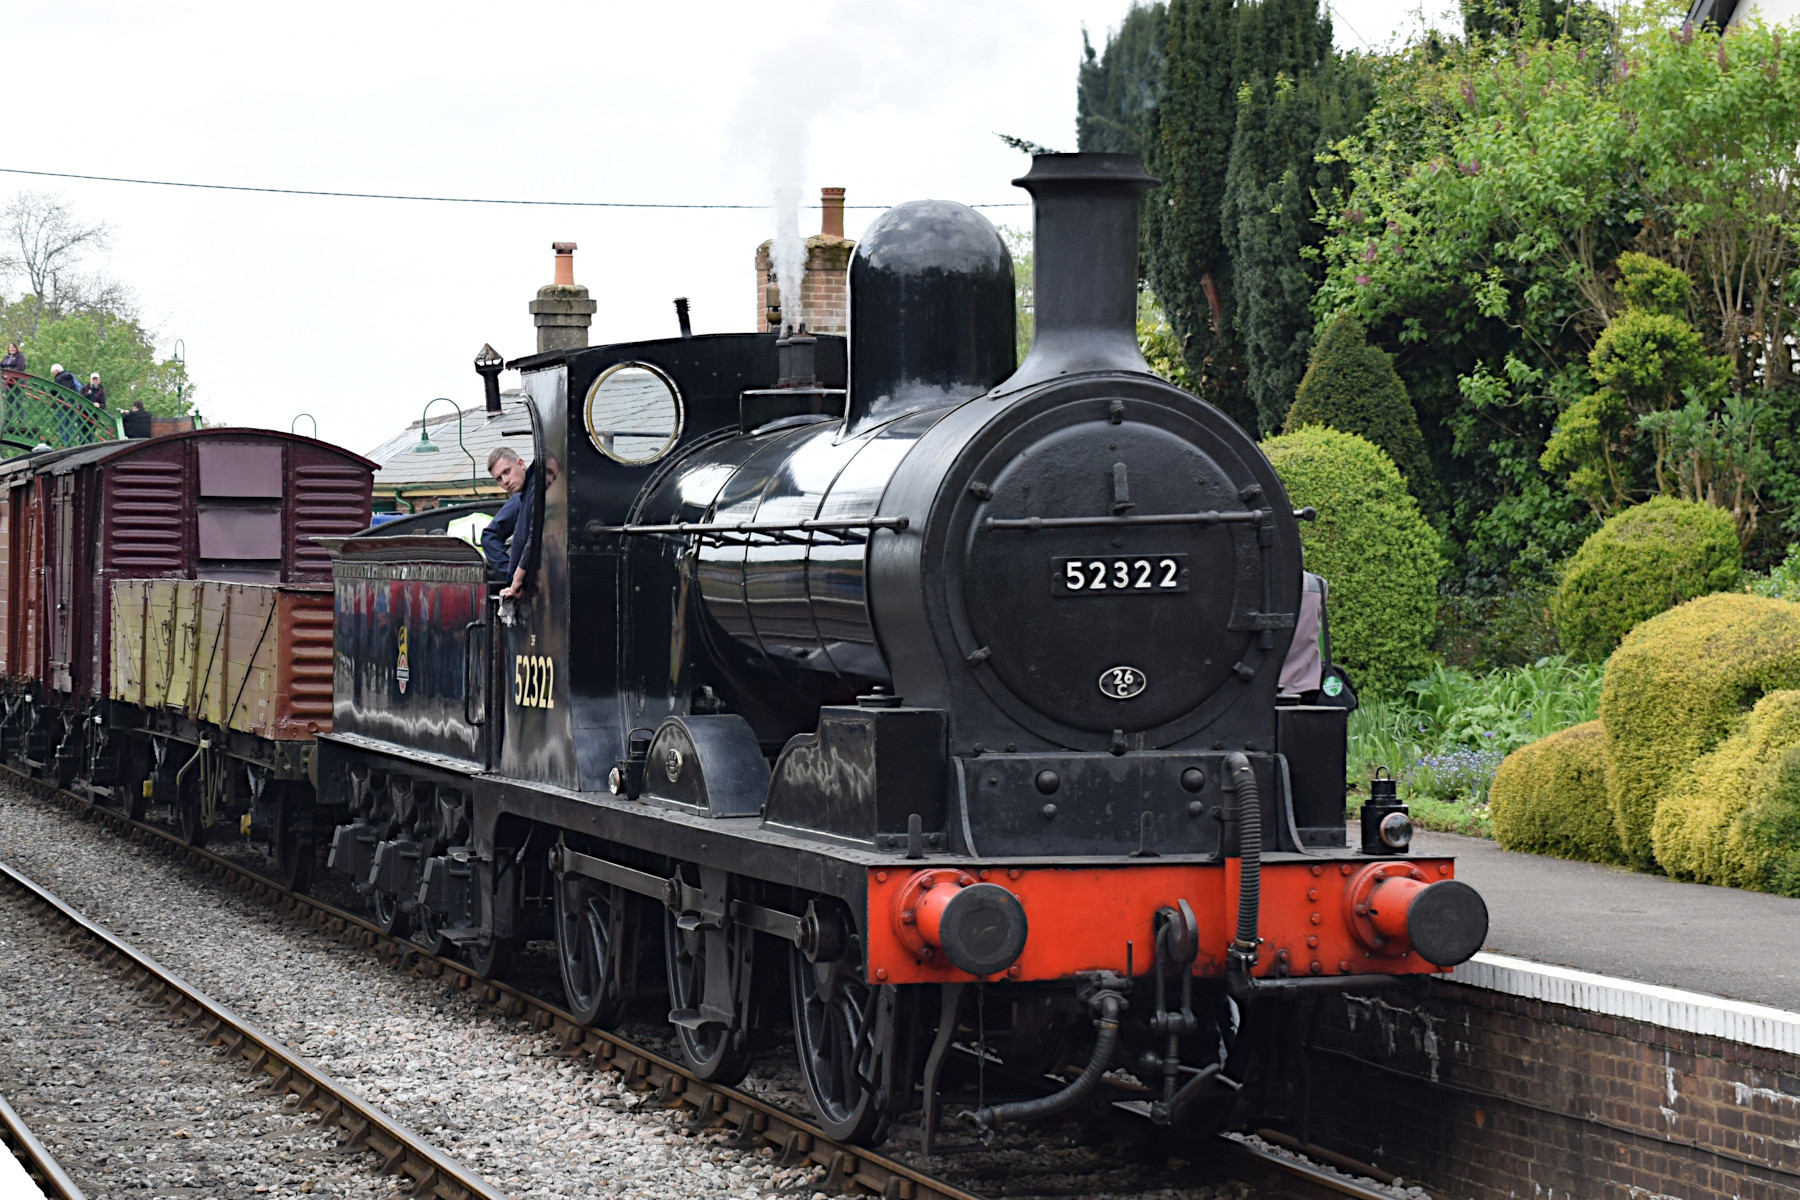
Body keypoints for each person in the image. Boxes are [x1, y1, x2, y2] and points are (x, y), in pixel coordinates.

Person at [480, 446, 538, 599]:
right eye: (499, 478)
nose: (505, 481)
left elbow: (536, 535)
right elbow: (490, 535)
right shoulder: (519, 497)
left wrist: (518, 577)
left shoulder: (535, 490)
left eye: (507, 472)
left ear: (521, 463)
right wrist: (512, 577)